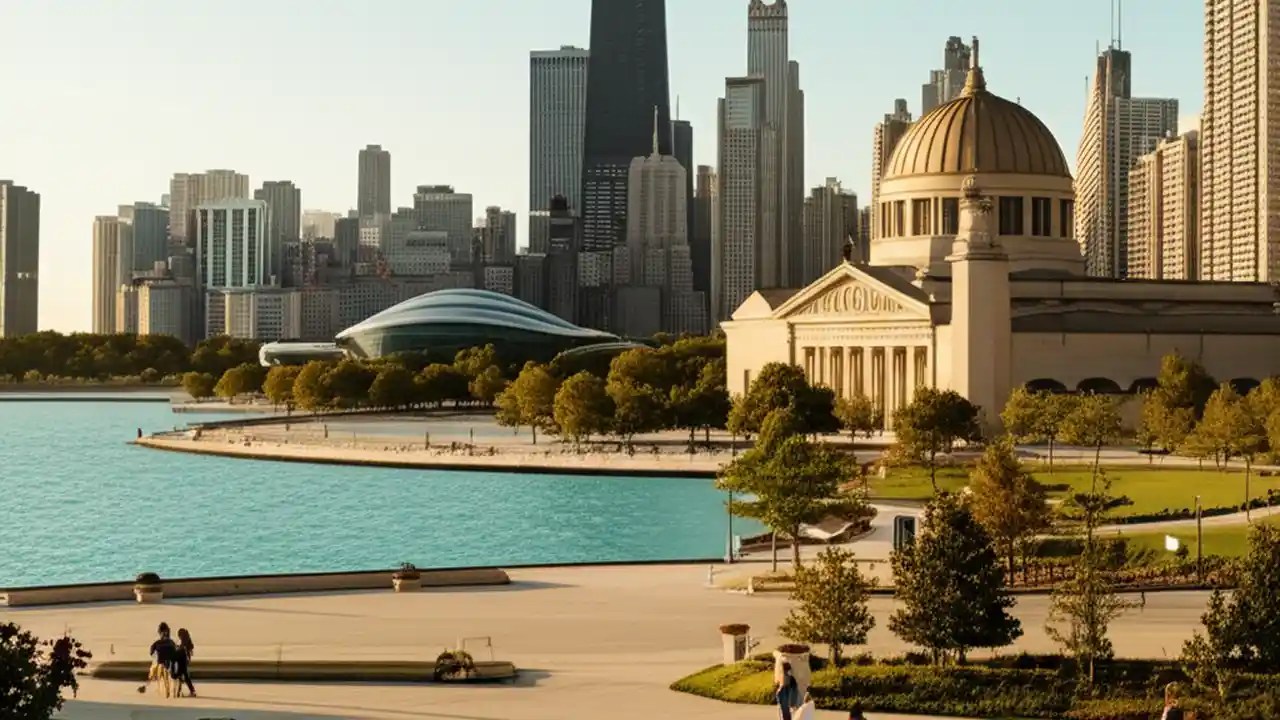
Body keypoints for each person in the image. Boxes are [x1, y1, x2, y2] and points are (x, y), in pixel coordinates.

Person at [138, 622, 177, 698]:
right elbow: (174, 653)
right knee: (167, 680)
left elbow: (151, 653)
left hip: (160, 664)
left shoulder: (157, 643)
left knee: (161, 678)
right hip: (168, 664)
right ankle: (168, 693)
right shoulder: (171, 643)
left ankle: (165, 693)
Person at [171, 628, 197, 697]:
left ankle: (183, 691)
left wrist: (177, 648)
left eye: (179, 635)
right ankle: (188, 691)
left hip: (183, 660)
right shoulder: (187, 638)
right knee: (184, 676)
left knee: (179, 675)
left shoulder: (184, 639)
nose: (178, 637)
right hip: (185, 660)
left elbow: (182, 648)